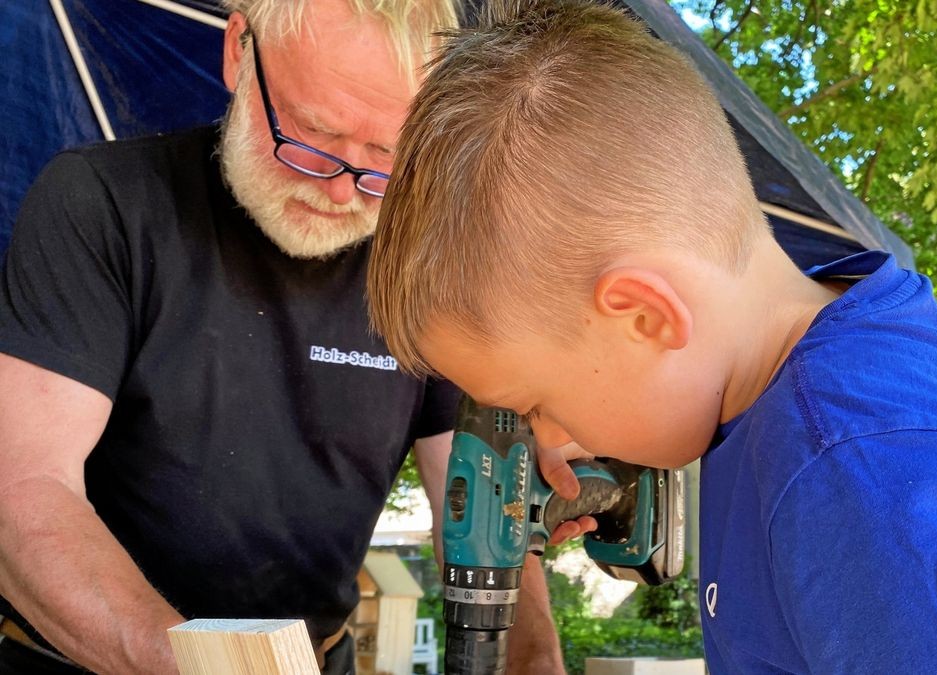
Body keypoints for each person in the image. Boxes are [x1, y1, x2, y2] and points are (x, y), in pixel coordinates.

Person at [364, 0, 937, 672]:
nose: (547, 439)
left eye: (538, 402)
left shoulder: (861, 475)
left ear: (647, 317)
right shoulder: (846, 360)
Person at [0, 0, 567, 673]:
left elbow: (478, 510)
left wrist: (536, 659)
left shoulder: (428, 275)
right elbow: (24, 488)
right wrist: (200, 665)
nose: (339, 189)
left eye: (385, 160)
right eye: (311, 136)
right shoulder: (103, 204)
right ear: (240, 50)